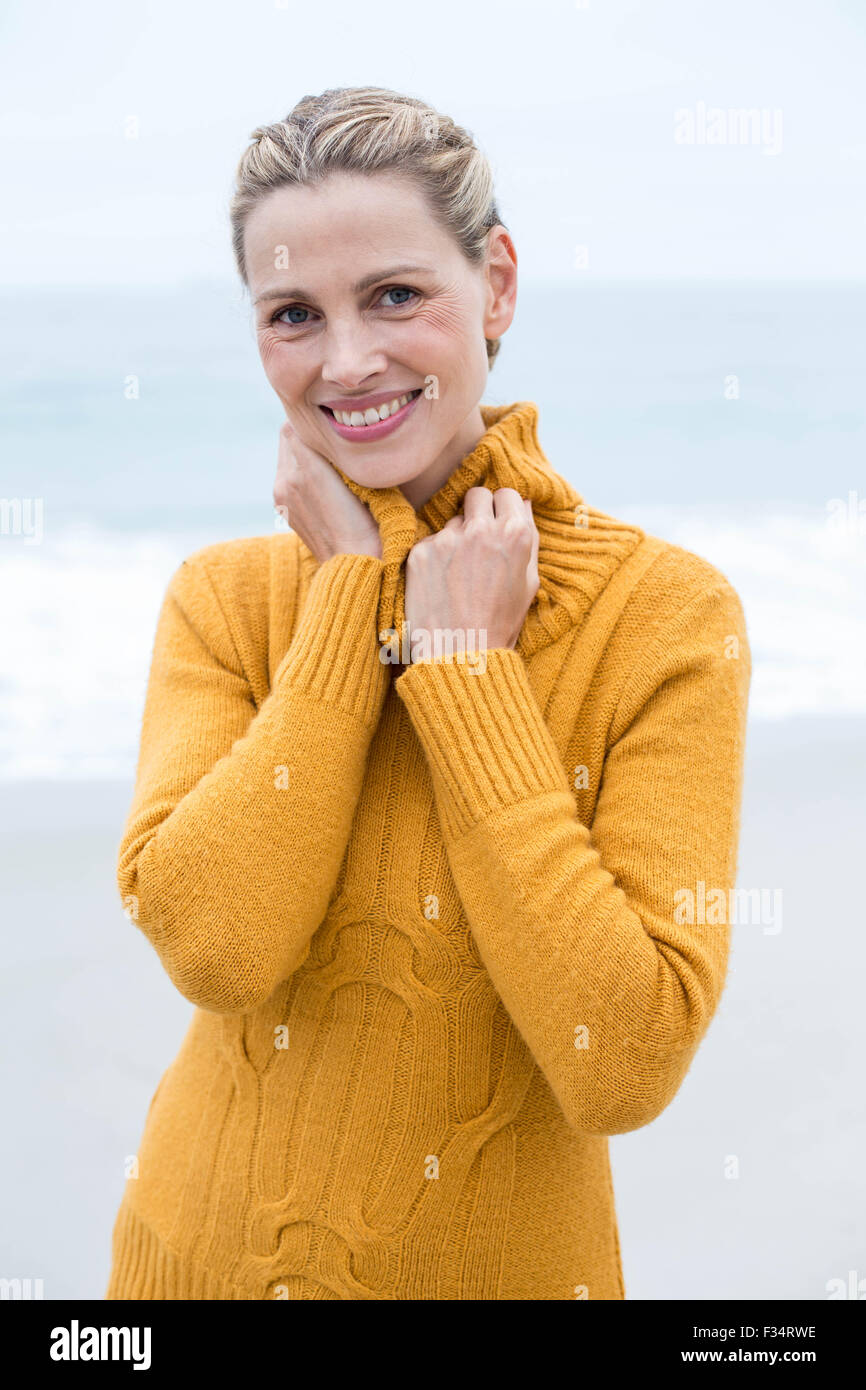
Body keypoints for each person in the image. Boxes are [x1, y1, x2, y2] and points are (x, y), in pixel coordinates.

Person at [105, 86, 751, 1301]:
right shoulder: (227, 599)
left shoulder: (663, 616)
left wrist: (466, 678)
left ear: (495, 284)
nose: (347, 360)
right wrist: (355, 596)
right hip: (179, 1276)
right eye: (293, 313)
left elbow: (619, 1061)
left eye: (396, 295)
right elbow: (216, 944)